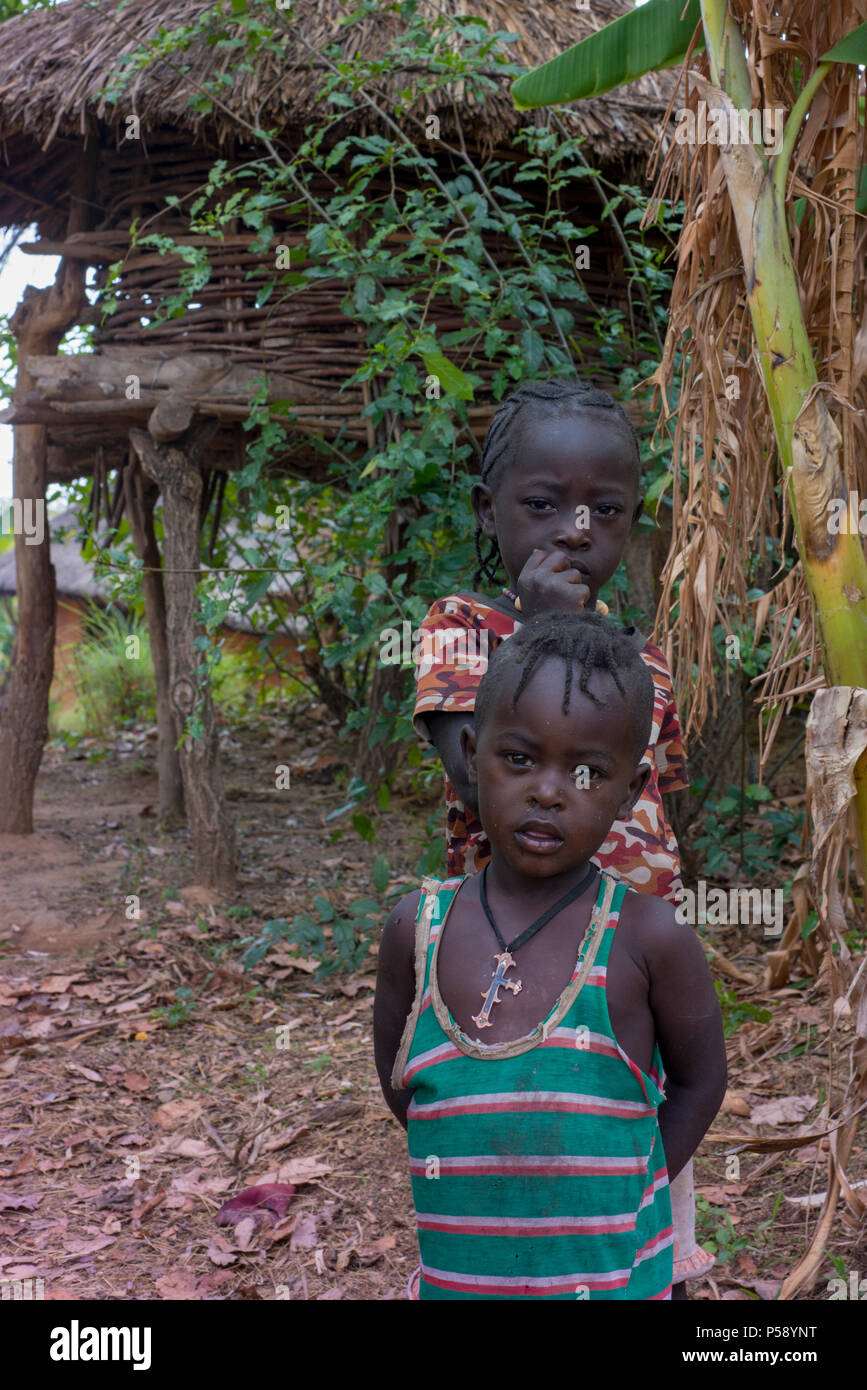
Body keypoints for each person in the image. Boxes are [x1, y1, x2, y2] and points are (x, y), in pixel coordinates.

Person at [412, 378, 709, 1294]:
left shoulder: (641, 660)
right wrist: (544, 634)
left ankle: (648, 1257)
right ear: (488, 510)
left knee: (643, 1128)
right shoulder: (463, 630)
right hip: (508, 949)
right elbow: (473, 772)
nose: (575, 530)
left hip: (626, 959)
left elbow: (661, 799)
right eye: (543, 505)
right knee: (507, 1134)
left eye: (604, 511)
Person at [374, 612, 726, 1300]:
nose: (547, 790)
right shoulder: (415, 929)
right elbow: (406, 1087)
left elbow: (699, 1083)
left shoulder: (649, 939)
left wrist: (630, 1183)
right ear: (471, 754)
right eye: (518, 758)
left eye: (588, 771)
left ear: (629, 791)